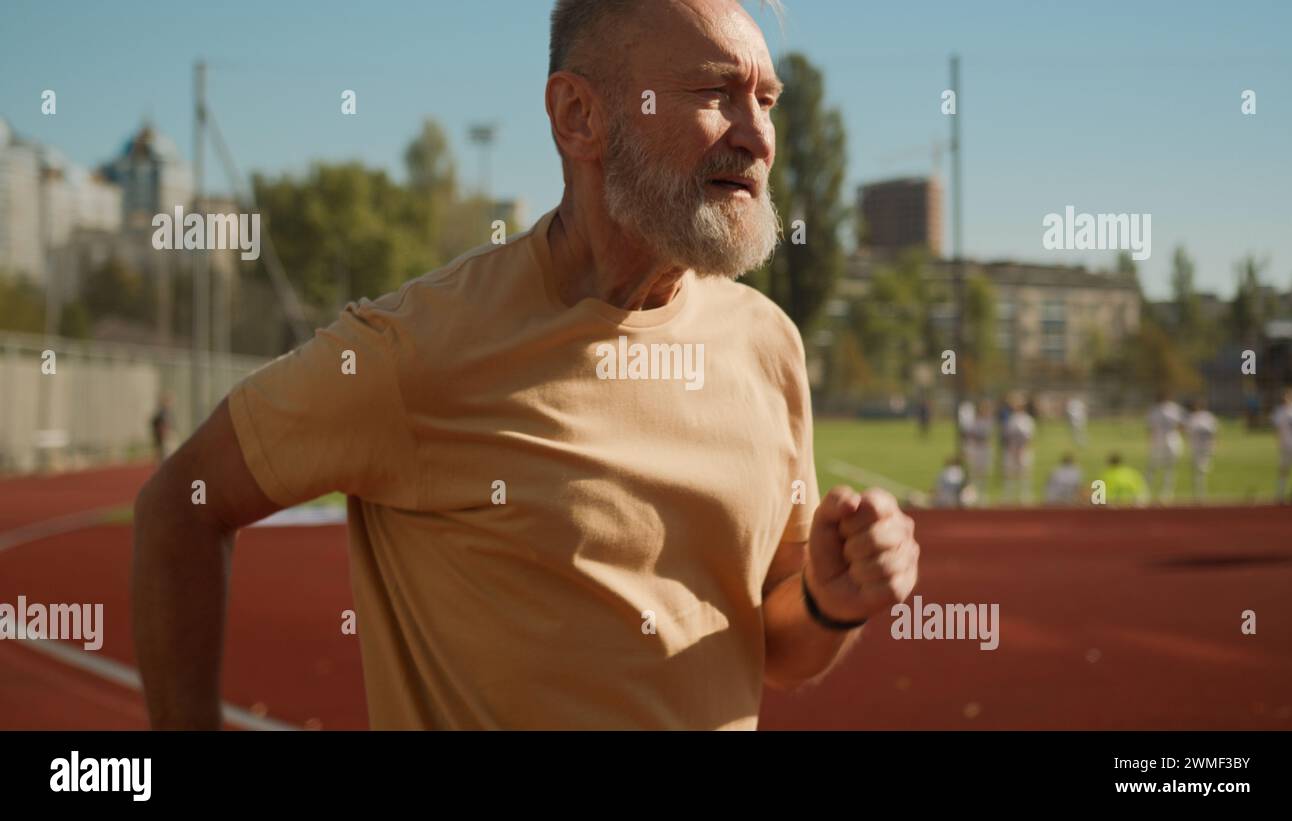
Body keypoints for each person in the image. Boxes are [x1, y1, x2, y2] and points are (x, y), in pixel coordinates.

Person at [131, 0, 920, 731]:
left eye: (767, 100)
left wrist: (828, 598)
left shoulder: (768, 345)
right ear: (579, 116)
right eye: (716, 92)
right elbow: (182, 504)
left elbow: (777, 647)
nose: (757, 135)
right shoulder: (415, 350)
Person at [1145, 392, 1185, 503]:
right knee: (1160, 468)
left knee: (1162, 468)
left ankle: (1161, 493)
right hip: (1165, 441)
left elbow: (1181, 425)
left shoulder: (1166, 409)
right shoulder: (1160, 409)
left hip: (1165, 441)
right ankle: (1156, 493)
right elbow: (1150, 427)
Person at [1002, 393, 1036, 505]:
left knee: (1024, 474)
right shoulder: (1011, 419)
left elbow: (1029, 437)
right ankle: (1009, 497)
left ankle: (1025, 496)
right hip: (1011, 449)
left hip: (1023, 449)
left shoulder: (1027, 419)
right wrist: (1012, 448)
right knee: (1010, 474)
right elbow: (1007, 436)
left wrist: (1021, 449)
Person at [960, 398, 995, 505]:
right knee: (974, 474)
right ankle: (973, 496)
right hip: (975, 449)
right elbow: (968, 435)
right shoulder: (973, 421)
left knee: (983, 473)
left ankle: (982, 495)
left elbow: (987, 436)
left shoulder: (989, 421)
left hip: (984, 449)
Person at [1185, 398, 1217, 502]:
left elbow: (1213, 432)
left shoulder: (1208, 417)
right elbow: (1188, 432)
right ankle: (1199, 495)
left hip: (1206, 447)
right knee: (1198, 471)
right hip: (1196, 447)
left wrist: (1214, 444)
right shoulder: (1192, 417)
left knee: (1201, 470)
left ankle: (1200, 494)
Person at [1273, 387, 1292, 502]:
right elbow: (1277, 429)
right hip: (1286, 444)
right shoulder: (1280, 411)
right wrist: (1278, 442)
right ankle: (1280, 494)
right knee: (1284, 470)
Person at [149, 392, 174, 466]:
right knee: (164, 454)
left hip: (165, 436)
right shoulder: (162, 413)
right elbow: (158, 425)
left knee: (164, 453)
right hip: (163, 437)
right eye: (168, 401)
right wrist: (162, 433)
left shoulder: (167, 413)